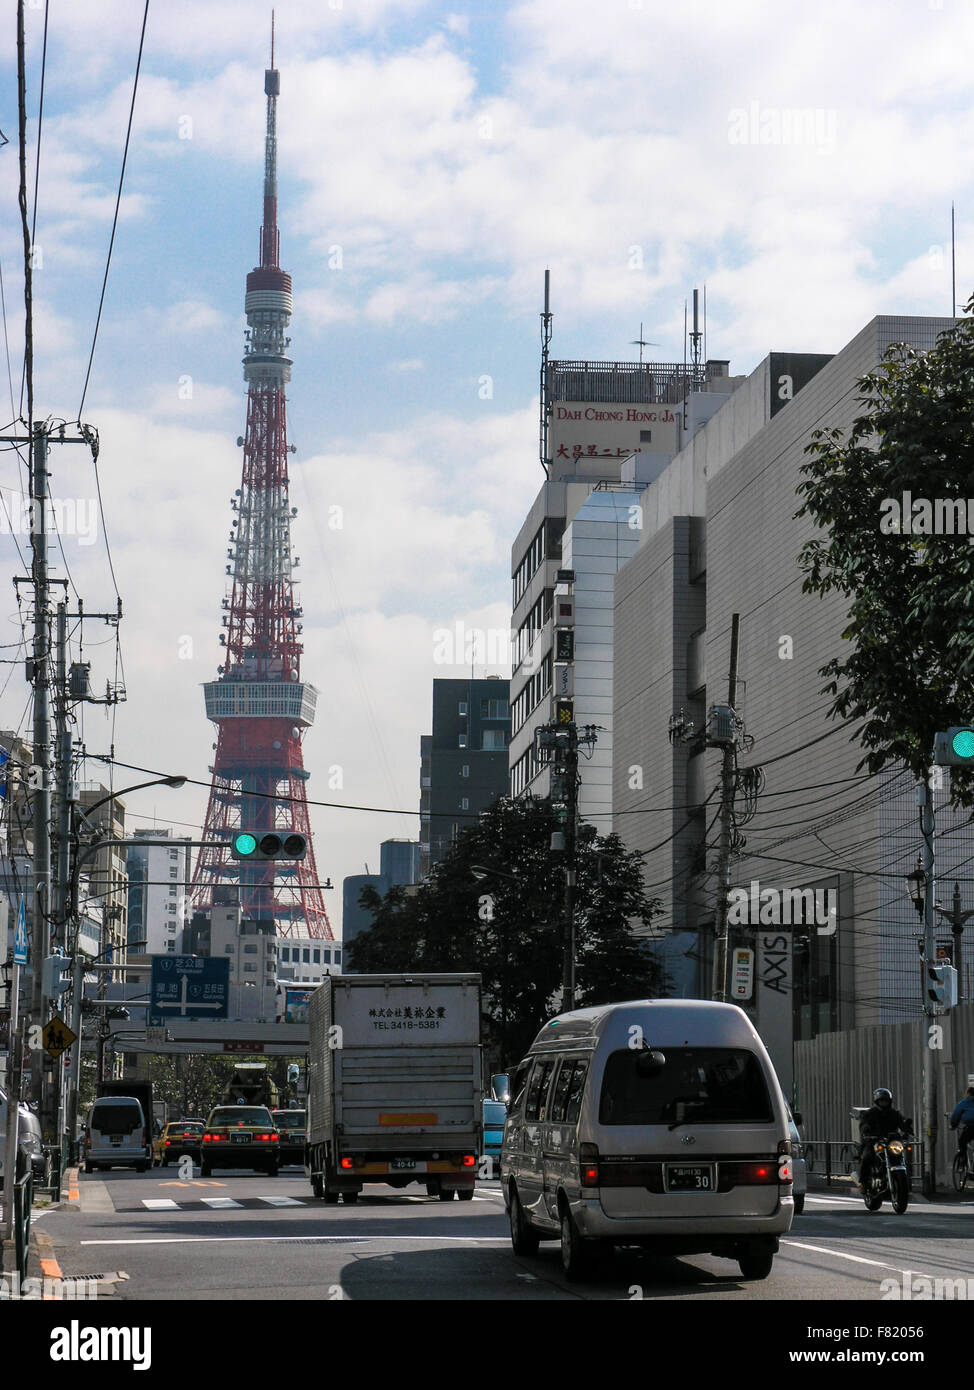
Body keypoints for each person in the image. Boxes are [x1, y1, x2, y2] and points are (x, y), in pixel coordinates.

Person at [858, 1088, 910, 1191]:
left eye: (886, 1101)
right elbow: (864, 1123)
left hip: (891, 1141)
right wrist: (866, 1129)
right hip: (873, 1141)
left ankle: (900, 1181)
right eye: (882, 1101)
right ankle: (863, 1182)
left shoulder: (894, 1113)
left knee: (899, 1155)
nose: (884, 1103)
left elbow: (901, 1123)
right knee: (867, 1156)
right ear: (877, 1101)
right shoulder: (870, 1113)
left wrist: (907, 1128)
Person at [949, 1086, 974, 1167]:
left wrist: (953, 1125)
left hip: (971, 1127)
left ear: (969, 1094)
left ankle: (963, 1159)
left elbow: (956, 1115)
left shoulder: (964, 1102)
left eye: (966, 1093)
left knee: (962, 1141)